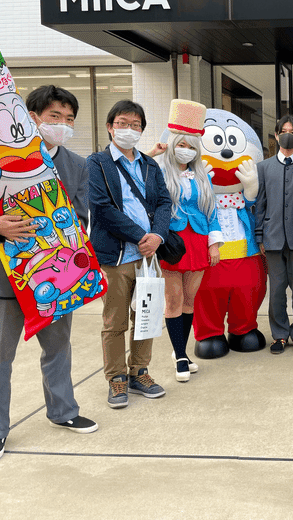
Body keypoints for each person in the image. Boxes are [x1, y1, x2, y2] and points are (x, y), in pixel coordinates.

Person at [0, 85, 97, 464]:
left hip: (56, 276)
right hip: (3, 279)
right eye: (55, 117)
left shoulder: (77, 165)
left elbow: (81, 215)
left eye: (69, 119)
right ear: (31, 117)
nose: (62, 125)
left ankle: (63, 411)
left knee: (58, 349)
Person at [87, 100, 172, 408]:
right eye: (123, 123)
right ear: (110, 126)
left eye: (136, 125)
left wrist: (158, 236)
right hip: (115, 256)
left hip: (148, 258)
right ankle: (116, 378)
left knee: (146, 317)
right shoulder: (97, 163)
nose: (129, 130)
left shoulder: (150, 165)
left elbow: (164, 203)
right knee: (114, 322)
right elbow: (101, 208)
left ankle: (139, 371)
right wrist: (141, 236)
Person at [148, 102, 222, 382]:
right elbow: (129, 175)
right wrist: (152, 154)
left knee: (190, 300)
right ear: (172, 144)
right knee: (174, 299)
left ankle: (182, 350)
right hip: (172, 241)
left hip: (199, 240)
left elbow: (211, 209)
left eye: (191, 145)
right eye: (181, 144)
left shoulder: (203, 175)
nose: (186, 150)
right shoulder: (156, 171)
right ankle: (180, 356)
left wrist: (214, 243)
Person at [255, 114, 293, 354]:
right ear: (276, 135)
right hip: (273, 238)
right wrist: (260, 236)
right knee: (276, 291)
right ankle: (279, 334)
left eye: (292, 131)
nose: (287, 134)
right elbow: (260, 204)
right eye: (283, 131)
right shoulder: (264, 167)